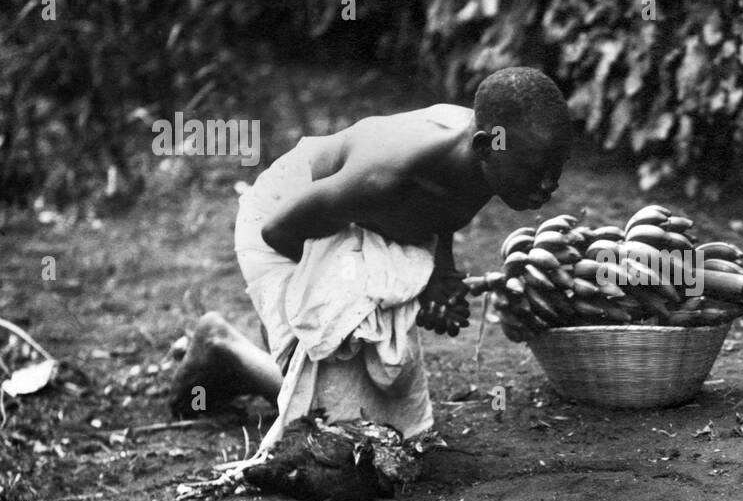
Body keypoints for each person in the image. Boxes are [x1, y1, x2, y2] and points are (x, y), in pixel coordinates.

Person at [170, 66, 572, 442]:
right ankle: (227, 347)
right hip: (284, 217)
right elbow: (279, 231)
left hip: (344, 219)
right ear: (485, 147)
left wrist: (439, 272)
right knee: (343, 425)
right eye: (535, 172)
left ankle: (267, 363)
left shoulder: (489, 152)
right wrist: (358, 296)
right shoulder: (386, 172)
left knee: (384, 411)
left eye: (556, 169)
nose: (547, 186)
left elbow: (446, 206)